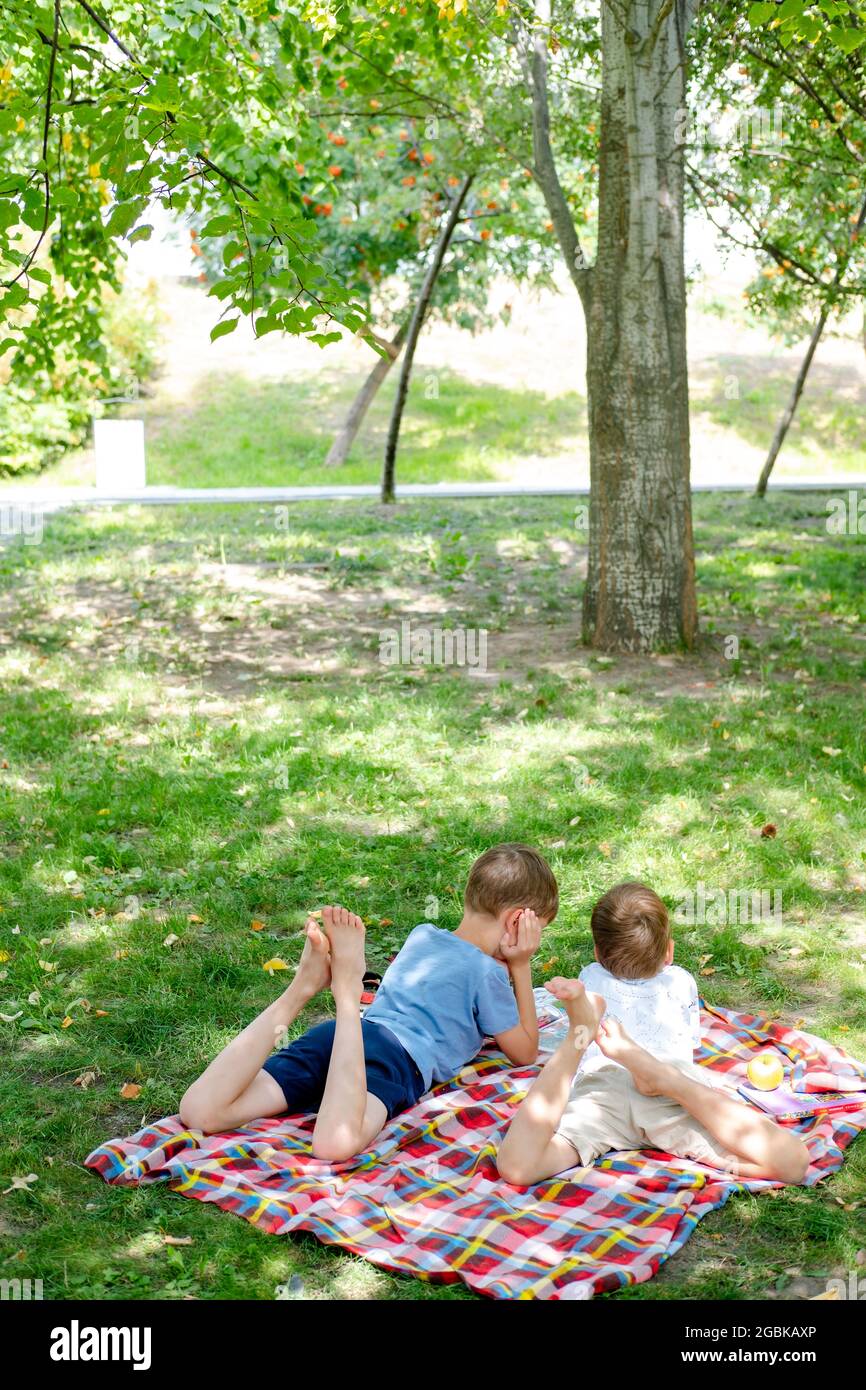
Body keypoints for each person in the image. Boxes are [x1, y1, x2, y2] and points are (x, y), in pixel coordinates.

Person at [179, 843, 557, 1161]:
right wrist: (521, 966)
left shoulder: (423, 935)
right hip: (395, 1061)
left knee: (202, 1113)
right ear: (516, 921)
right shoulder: (487, 974)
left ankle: (303, 988)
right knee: (334, 1144)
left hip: (348, 1035)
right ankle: (346, 991)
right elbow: (524, 1052)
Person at [497, 881, 809, 1187]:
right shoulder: (680, 980)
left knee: (519, 1165)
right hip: (675, 1088)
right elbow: (794, 1166)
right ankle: (654, 1073)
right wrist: (665, 1077)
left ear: (596, 951)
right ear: (669, 952)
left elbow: (517, 1169)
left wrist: (583, 1034)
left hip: (604, 1089)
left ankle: (581, 1036)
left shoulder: (590, 976)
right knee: (791, 1162)